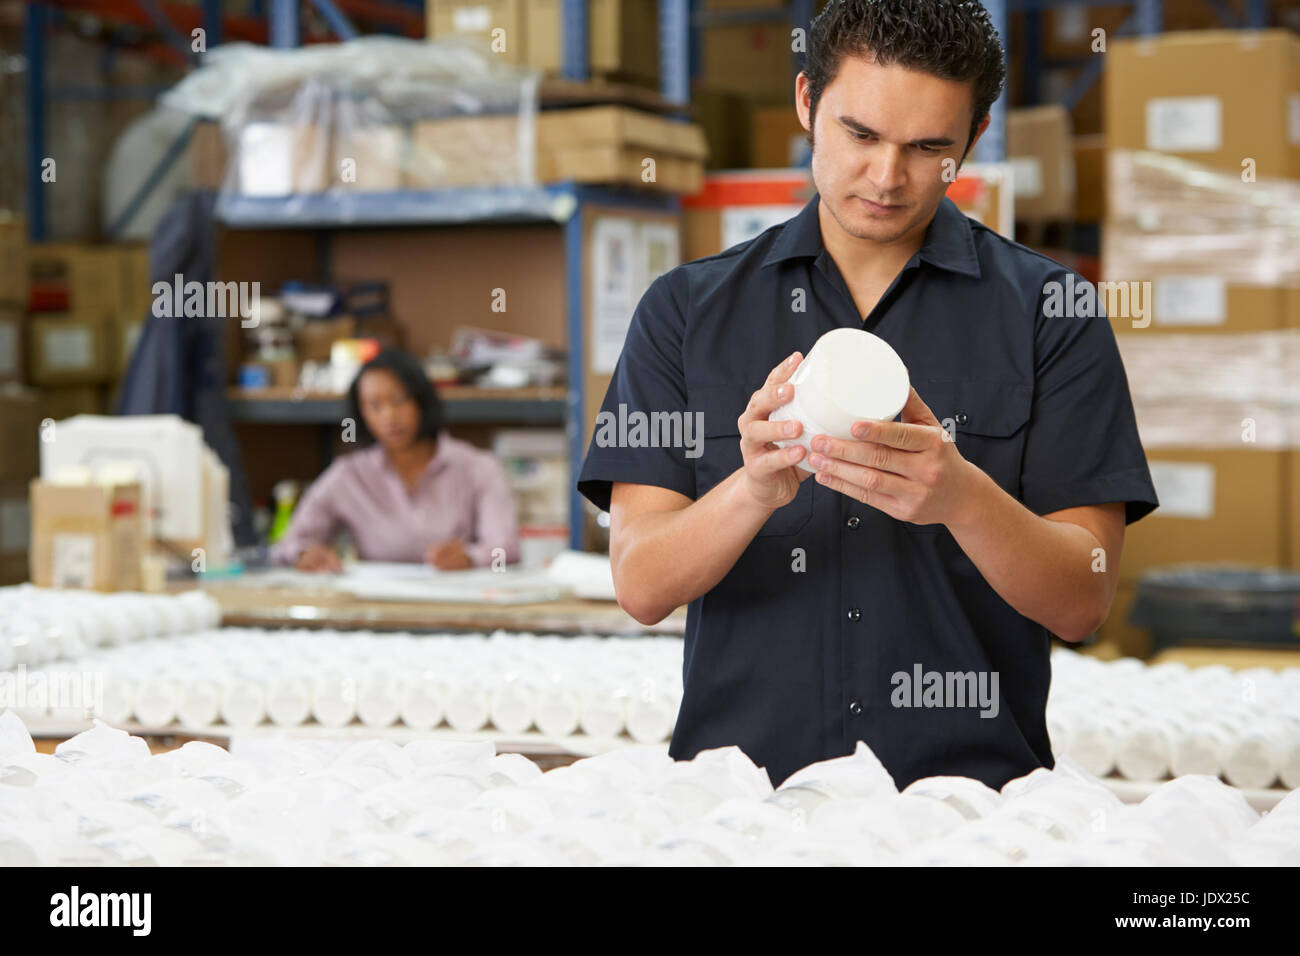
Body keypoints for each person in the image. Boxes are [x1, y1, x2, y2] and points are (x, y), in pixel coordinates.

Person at [577, 0, 1159, 790]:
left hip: (963, 809)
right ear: (807, 104)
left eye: (928, 148)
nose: (888, 177)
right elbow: (641, 584)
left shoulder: (1050, 314)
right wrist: (750, 491)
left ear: (974, 141)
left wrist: (960, 497)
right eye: (861, 135)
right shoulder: (686, 312)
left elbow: (1083, 599)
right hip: (739, 805)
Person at [272, 349, 521, 571]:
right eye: (375, 405)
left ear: (421, 400)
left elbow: (505, 548)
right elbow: (286, 545)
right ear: (362, 414)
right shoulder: (348, 475)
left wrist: (470, 557)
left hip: (462, 608)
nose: (389, 416)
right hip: (376, 613)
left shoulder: (478, 467)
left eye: (399, 400)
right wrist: (304, 554)